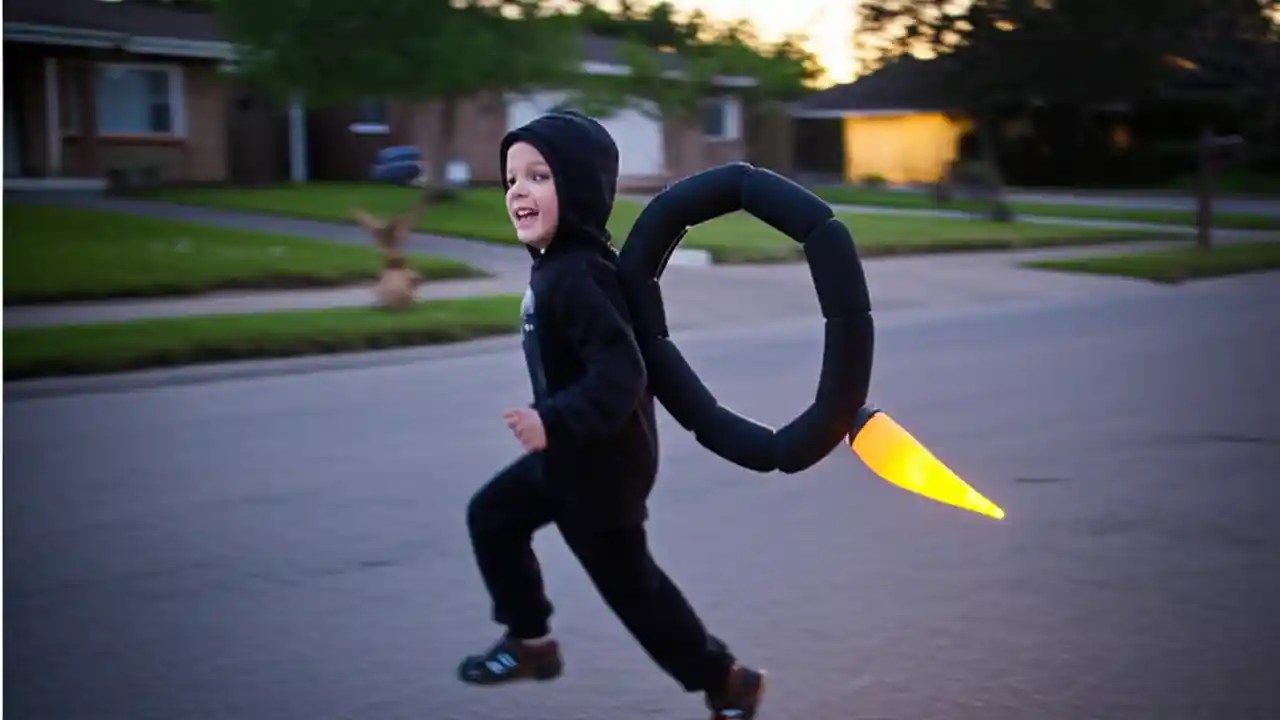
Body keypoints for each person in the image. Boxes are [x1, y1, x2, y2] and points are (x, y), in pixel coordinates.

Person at [458, 110, 767, 720]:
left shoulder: (577, 275)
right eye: (510, 179)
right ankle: (531, 643)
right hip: (572, 451)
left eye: (539, 176)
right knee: (492, 516)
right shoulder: (560, 263)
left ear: (577, 189)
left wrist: (555, 420)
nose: (518, 190)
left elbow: (622, 373)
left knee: (633, 591)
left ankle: (729, 681)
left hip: (600, 465)